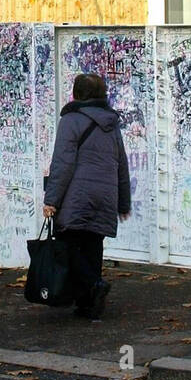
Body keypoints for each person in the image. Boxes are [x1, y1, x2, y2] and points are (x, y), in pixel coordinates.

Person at [42, 72, 131, 320]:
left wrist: (51, 200)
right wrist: (123, 201)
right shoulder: (111, 123)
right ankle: (88, 306)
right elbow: (121, 163)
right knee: (92, 245)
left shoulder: (70, 120)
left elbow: (62, 163)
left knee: (67, 243)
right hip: (105, 194)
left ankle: (95, 284)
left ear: (76, 94)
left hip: (77, 194)